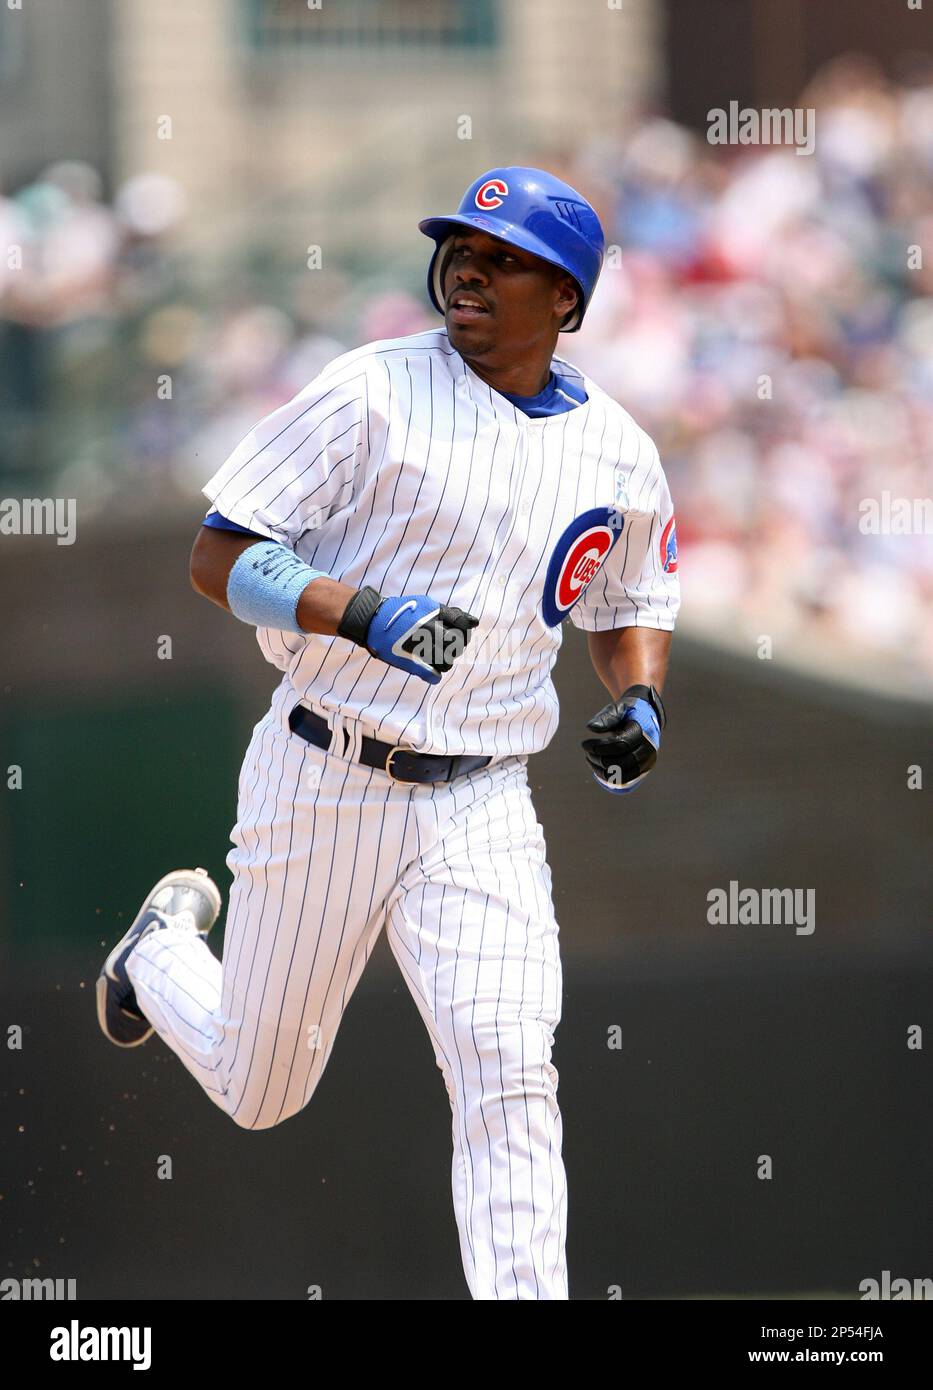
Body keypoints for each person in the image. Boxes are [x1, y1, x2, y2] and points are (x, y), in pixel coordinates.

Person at [96, 167, 680, 1300]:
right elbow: (217, 556)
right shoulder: (371, 391)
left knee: (509, 1070)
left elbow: (633, 601)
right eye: (464, 244)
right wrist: (358, 610)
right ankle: (156, 953)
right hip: (327, 769)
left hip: (483, 800)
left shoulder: (617, 452)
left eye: (505, 255)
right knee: (261, 1088)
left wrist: (643, 699)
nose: (470, 265)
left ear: (567, 297)